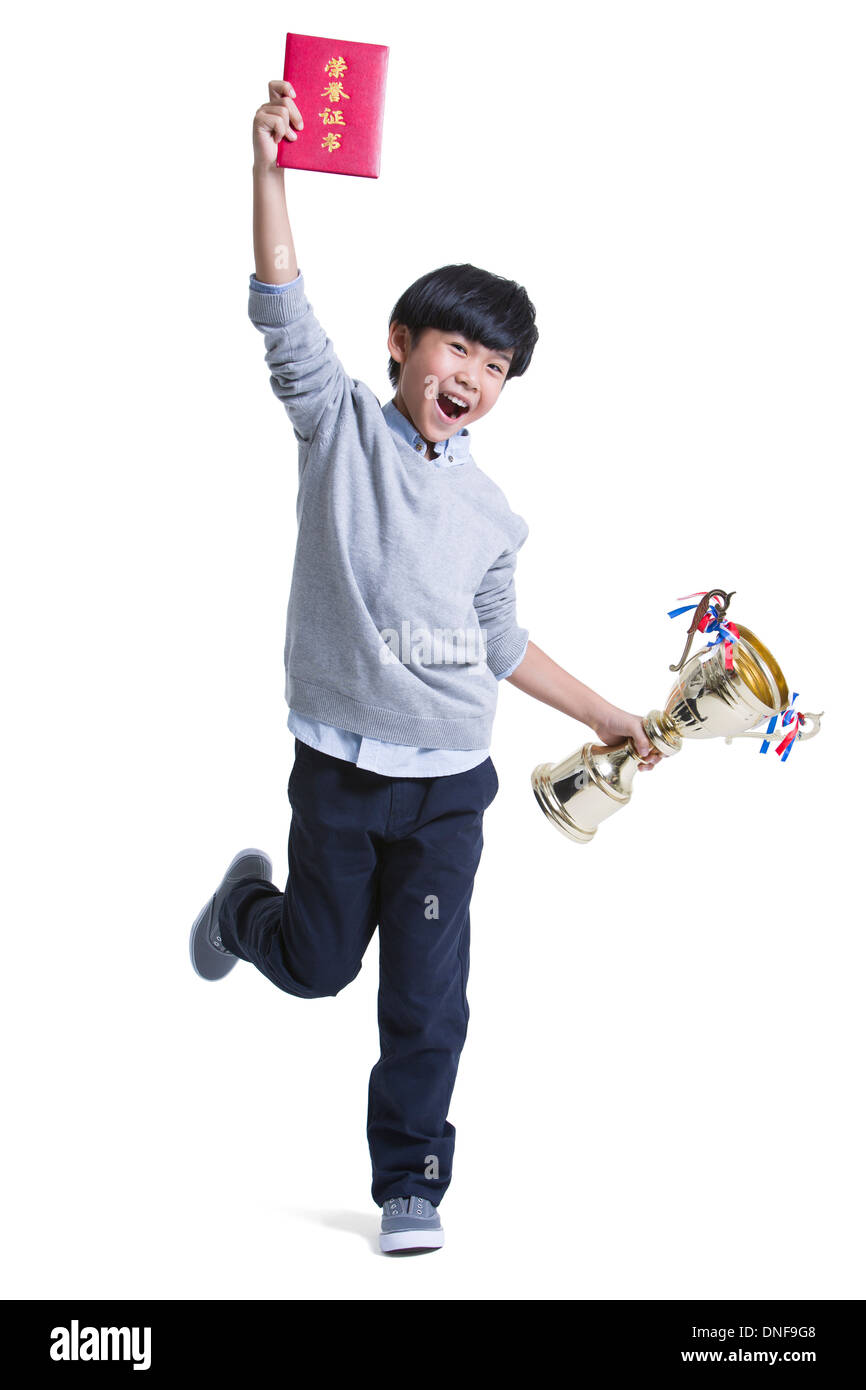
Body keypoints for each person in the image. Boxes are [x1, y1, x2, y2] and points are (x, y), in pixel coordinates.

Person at [189, 78, 662, 1257]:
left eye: (495, 367)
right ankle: (250, 912)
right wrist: (268, 170)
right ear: (402, 345)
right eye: (455, 345)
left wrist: (609, 713)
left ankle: (411, 1180)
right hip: (339, 772)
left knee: (425, 1000)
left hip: (450, 784)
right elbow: (281, 308)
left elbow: (499, 645)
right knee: (314, 969)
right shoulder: (335, 425)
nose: (470, 376)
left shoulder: (495, 515)